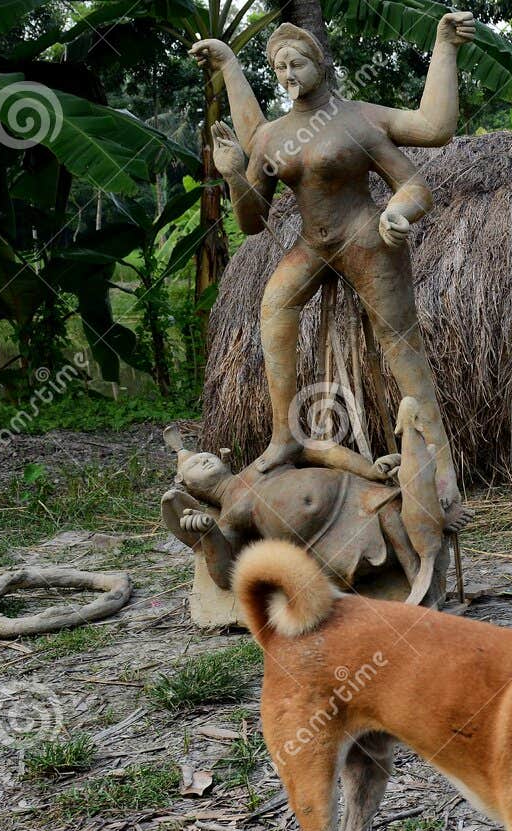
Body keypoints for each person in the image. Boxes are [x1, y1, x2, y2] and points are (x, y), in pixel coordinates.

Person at [191, 15, 477, 526]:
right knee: (274, 307)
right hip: (311, 244)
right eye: (278, 67)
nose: (287, 73)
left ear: (320, 65)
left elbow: (420, 169)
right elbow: (252, 221)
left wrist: (399, 212)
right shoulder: (272, 137)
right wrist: (235, 174)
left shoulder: (357, 119)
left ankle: (440, 469)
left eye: (296, 62)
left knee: (400, 347)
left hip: (366, 237)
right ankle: (284, 438)